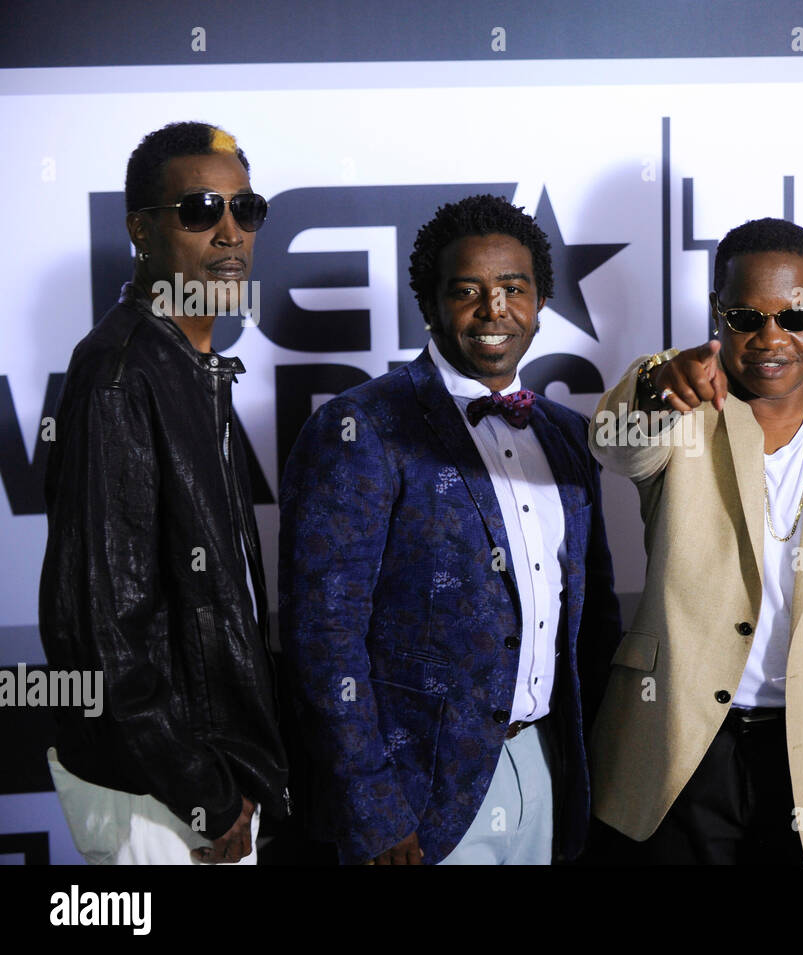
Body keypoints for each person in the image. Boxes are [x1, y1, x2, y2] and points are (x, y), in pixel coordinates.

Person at [278, 194, 621, 865]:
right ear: (430, 305)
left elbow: (595, 612)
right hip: (420, 793)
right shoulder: (362, 428)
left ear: (541, 301)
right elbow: (322, 635)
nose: (494, 310)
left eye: (513, 288)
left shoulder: (565, 434)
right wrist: (375, 810)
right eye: (467, 290)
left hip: (548, 765)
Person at [587, 218, 803, 865]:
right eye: (747, 317)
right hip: (677, 752)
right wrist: (659, 380)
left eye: (795, 316)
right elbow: (616, 444)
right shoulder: (681, 404)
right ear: (719, 313)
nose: (771, 338)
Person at [39, 121, 287, 864]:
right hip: (162, 792)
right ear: (141, 232)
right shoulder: (121, 372)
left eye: (246, 210)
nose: (229, 232)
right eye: (199, 210)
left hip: (203, 770)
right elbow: (99, 623)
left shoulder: (189, 362)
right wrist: (202, 790)